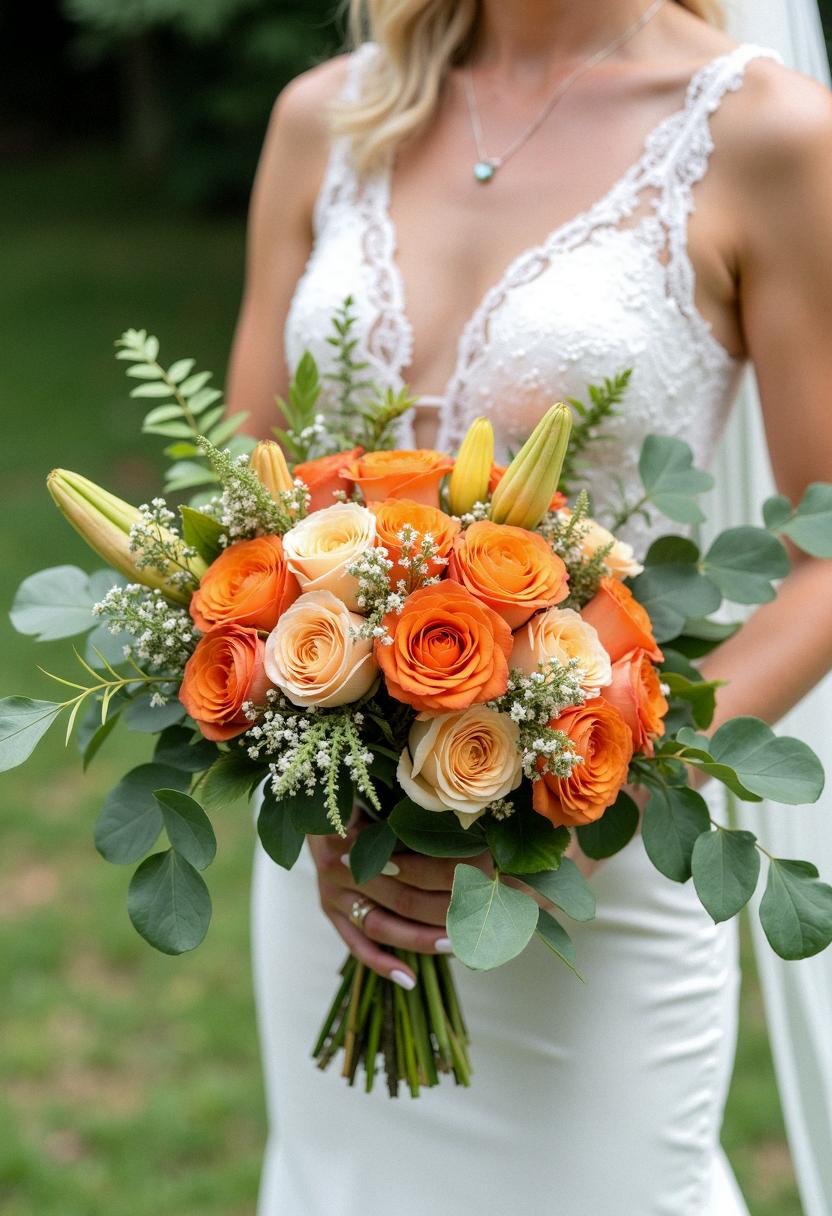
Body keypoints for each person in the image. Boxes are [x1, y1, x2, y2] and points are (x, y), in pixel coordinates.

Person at [226, 1, 832, 1212]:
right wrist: (313, 776)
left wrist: (580, 770)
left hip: (590, 872)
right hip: (341, 871)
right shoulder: (325, 116)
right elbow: (245, 484)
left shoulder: (768, 136)